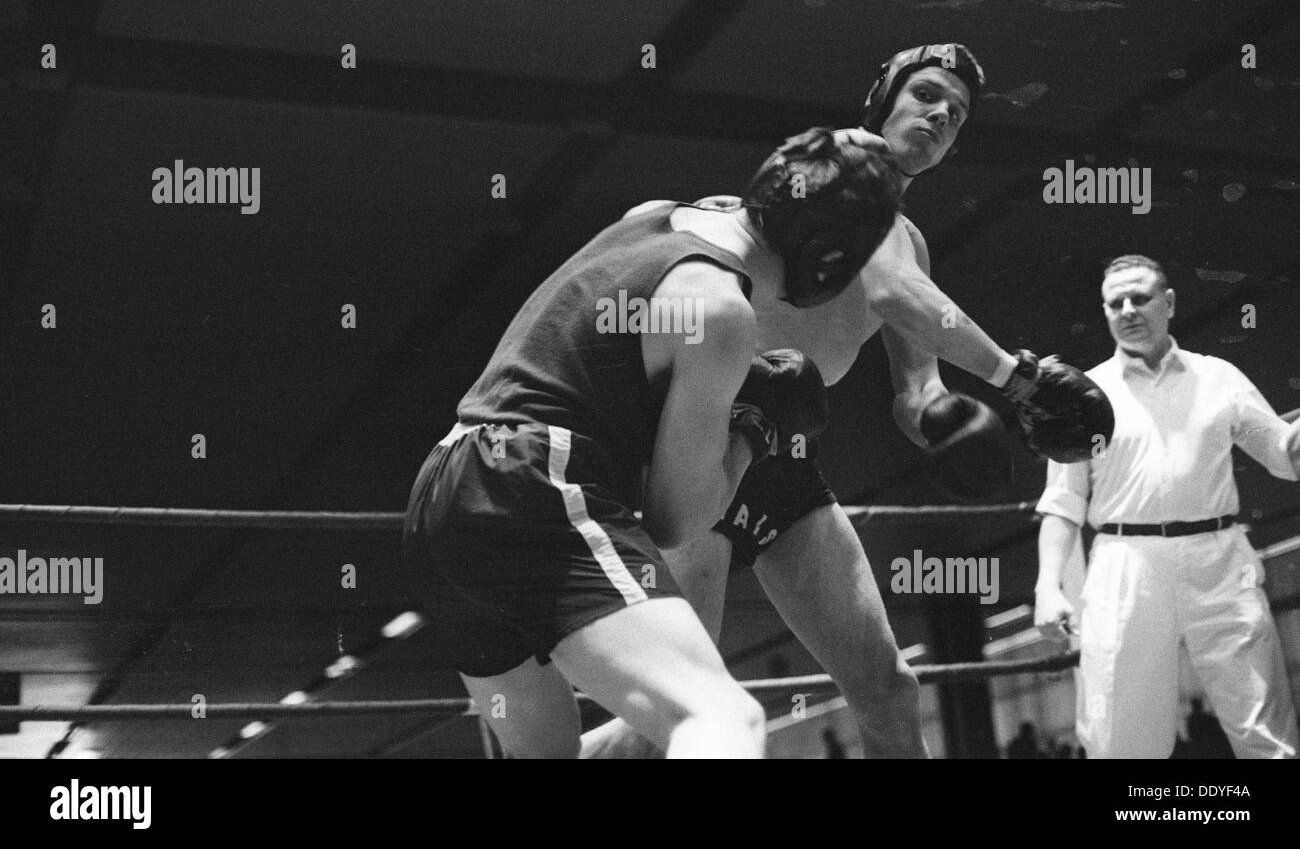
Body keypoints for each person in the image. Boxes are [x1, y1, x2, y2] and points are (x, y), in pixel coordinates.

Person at [582, 44, 1114, 758]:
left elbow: (915, 388)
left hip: (783, 459)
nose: (938, 116)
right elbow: (894, 292)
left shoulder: (907, 245)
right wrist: (1018, 377)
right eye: (925, 95)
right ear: (883, 98)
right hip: (691, 441)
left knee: (888, 688)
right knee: (677, 710)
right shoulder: (830, 178)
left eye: (954, 116)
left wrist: (947, 427)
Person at [403, 128, 902, 758]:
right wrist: (758, 428)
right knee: (722, 720)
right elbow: (675, 521)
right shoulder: (719, 311)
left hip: (444, 491)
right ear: (830, 262)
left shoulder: (653, 218)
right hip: (532, 482)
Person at [1033, 254, 1300, 758]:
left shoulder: (1219, 377)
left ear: (1170, 303)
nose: (1129, 310)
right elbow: (1062, 501)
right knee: (1120, 742)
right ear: (1106, 312)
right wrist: (1048, 585)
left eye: (1141, 298)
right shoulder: (1084, 394)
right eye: (1116, 303)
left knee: (1264, 729)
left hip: (1219, 559)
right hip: (1124, 565)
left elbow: (1284, 457)